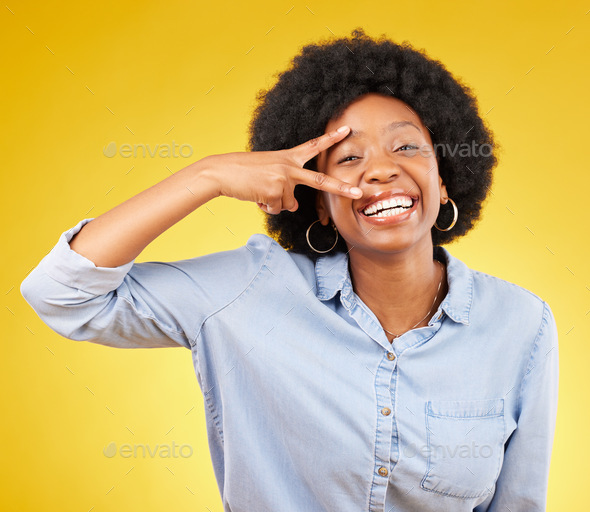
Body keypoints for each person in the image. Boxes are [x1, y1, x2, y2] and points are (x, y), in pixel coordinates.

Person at [20, 28, 559, 511]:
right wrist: (208, 174)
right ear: (318, 203)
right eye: (347, 158)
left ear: (444, 182)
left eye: (406, 146)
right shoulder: (249, 291)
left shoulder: (521, 325)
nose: (380, 169)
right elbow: (62, 292)